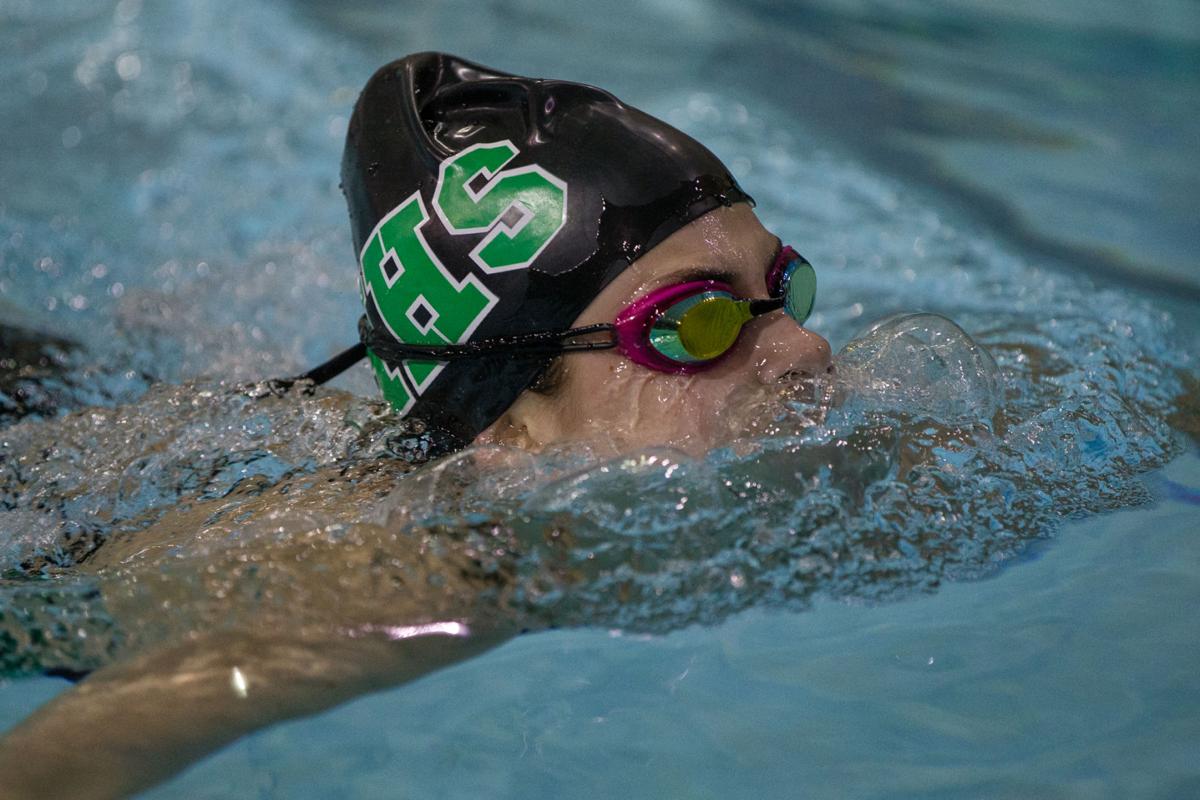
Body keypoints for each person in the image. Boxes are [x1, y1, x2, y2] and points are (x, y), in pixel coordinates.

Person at [0, 52, 831, 798]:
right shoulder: (417, 582)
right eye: (695, 322)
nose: (805, 348)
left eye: (785, 284)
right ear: (508, 427)